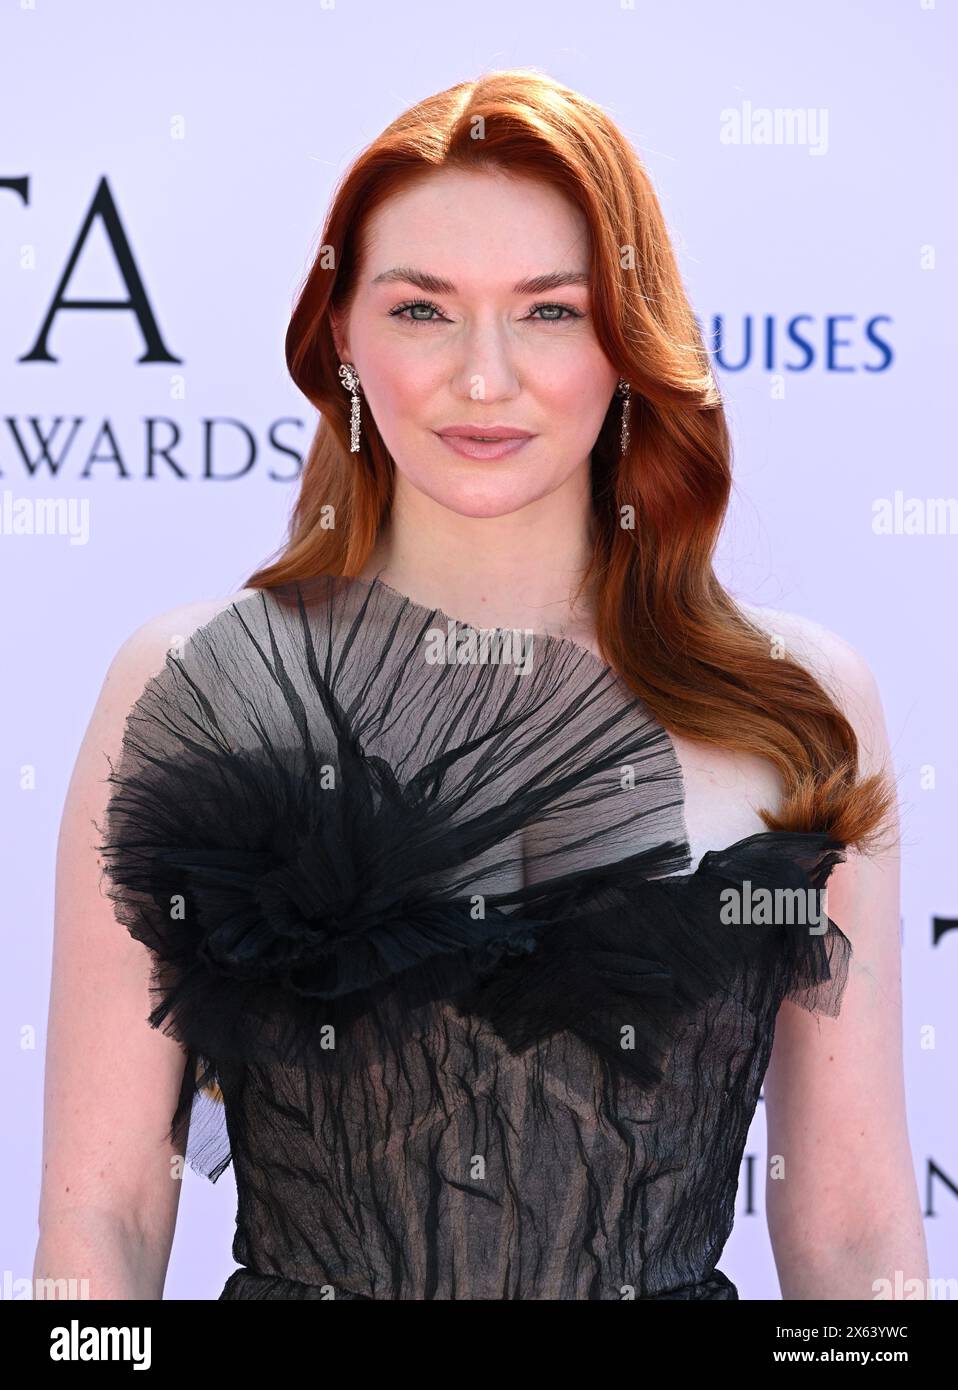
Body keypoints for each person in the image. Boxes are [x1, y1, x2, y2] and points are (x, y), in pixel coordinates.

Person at [35, 69, 927, 1301]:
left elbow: (854, 1239)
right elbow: (102, 1226)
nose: (483, 376)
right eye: (422, 309)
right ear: (340, 337)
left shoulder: (796, 706)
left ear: (627, 340)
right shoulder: (194, 689)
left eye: (549, 311)